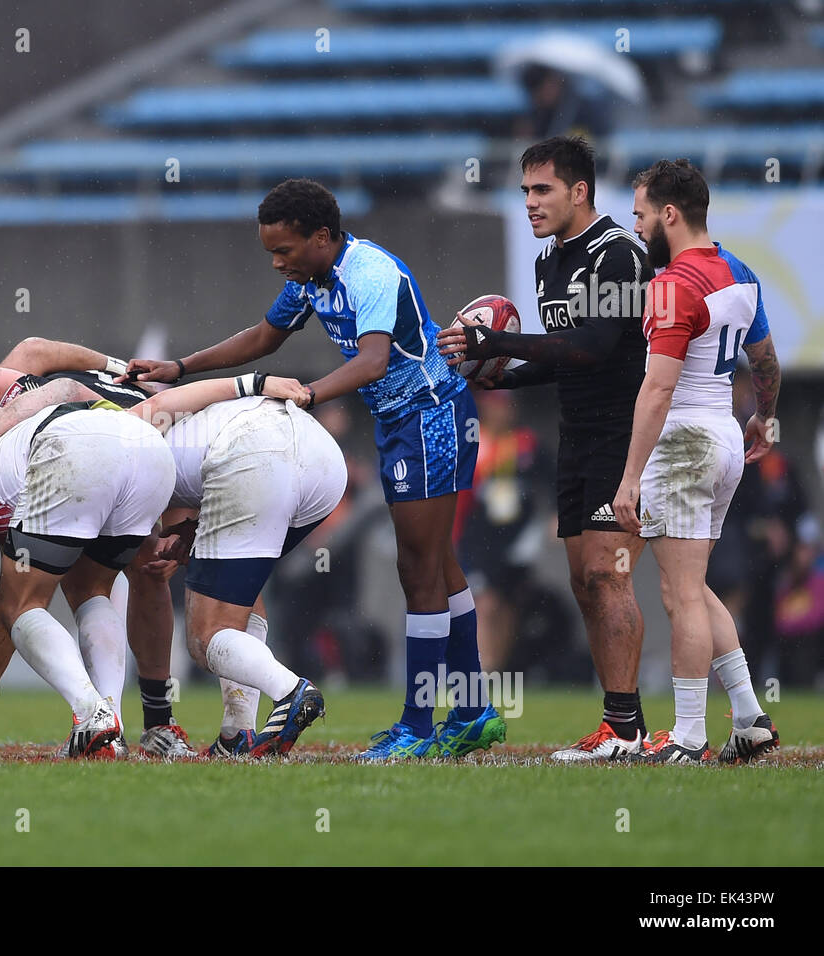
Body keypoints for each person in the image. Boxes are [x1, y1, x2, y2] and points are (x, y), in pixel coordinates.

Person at [124, 178, 503, 761]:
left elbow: (375, 360)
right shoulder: (311, 279)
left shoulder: (369, 273)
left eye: (285, 250)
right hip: (402, 422)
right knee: (438, 564)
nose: (278, 263)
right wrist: (181, 367)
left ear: (322, 237)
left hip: (429, 416)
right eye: (270, 252)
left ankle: (418, 726)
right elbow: (262, 337)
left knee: (419, 567)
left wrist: (310, 393)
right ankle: (474, 709)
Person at [437, 135, 656, 762]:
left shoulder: (619, 253)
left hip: (625, 432)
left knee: (605, 576)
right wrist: (500, 373)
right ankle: (624, 727)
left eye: (543, 190)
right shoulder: (547, 262)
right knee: (583, 584)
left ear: (579, 191)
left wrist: (497, 346)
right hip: (578, 432)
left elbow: (594, 346)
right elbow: (563, 360)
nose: (530, 203)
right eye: (525, 191)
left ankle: (623, 732)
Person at [612, 158, 781, 764]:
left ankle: (687, 736)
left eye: (640, 214)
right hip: (727, 438)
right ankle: (748, 715)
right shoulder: (738, 270)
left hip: (684, 441)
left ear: (670, 214)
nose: (636, 228)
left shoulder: (670, 284)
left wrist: (629, 478)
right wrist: (764, 415)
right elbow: (765, 358)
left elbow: (657, 389)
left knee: (679, 594)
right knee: (693, 586)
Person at [0, 380, 178, 757]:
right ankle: (111, 728)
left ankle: (90, 713)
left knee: (17, 603)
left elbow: (57, 380)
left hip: (75, 450)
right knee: (92, 588)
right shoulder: (39, 407)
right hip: (150, 448)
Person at [131, 374, 346, 756]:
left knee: (204, 637)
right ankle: (237, 733)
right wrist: (187, 533)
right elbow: (180, 520)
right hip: (323, 462)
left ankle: (291, 691)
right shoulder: (190, 424)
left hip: (253, 450)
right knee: (240, 596)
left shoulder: (125, 428)